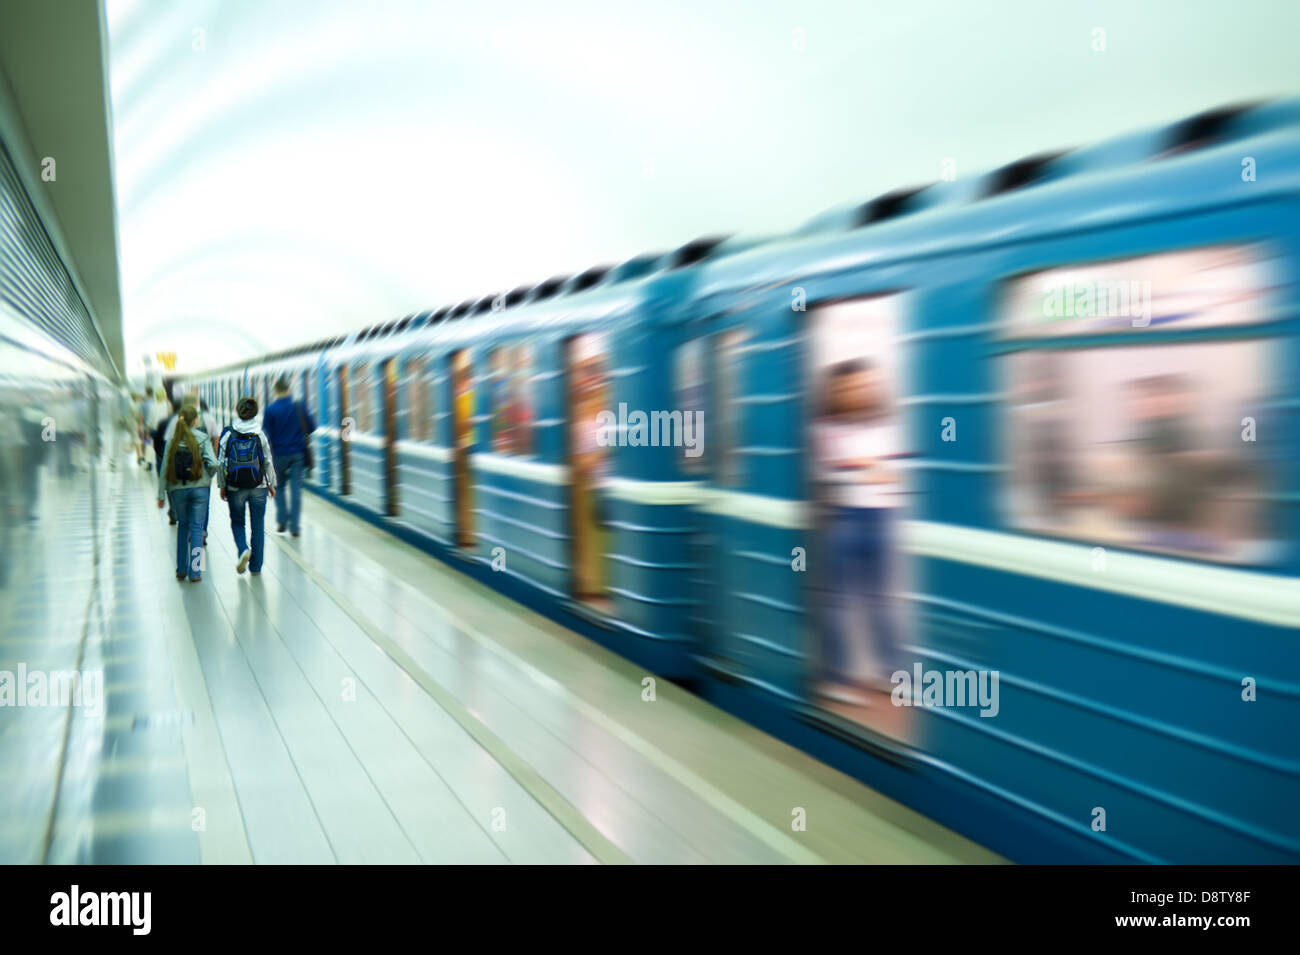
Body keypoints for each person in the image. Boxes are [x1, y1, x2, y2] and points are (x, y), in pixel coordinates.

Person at [813, 359, 908, 706]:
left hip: (882, 516)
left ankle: (891, 674)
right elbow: (829, 471)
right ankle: (834, 678)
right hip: (843, 516)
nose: (861, 391)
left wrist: (871, 469)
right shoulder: (826, 429)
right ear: (838, 392)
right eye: (852, 386)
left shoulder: (886, 425)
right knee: (836, 601)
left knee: (881, 600)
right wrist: (869, 468)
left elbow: (896, 472)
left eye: (867, 384)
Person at [156, 404, 218, 582]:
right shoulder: (203, 438)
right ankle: (196, 571)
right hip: (200, 489)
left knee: (183, 526)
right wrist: (208, 476)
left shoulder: (172, 441)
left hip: (178, 490)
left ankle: (181, 569)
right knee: (197, 528)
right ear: (195, 420)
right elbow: (213, 463)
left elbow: (164, 469)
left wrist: (161, 495)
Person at [217, 395, 277, 575]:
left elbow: (221, 462)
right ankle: (256, 567)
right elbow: (267, 461)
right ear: (255, 413)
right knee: (258, 525)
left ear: (238, 411)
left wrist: (222, 485)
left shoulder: (228, 433)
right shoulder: (260, 434)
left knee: (238, 523)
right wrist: (272, 484)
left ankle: (243, 549)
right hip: (258, 486)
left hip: (235, 488)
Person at [261, 376, 316, 536]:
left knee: (279, 487)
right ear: (289, 389)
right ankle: (295, 527)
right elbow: (311, 427)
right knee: (296, 489)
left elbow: (265, 434)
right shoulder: (299, 406)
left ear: (275, 391)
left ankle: (282, 521)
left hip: (278, 455)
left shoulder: (270, 409)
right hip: (298, 454)